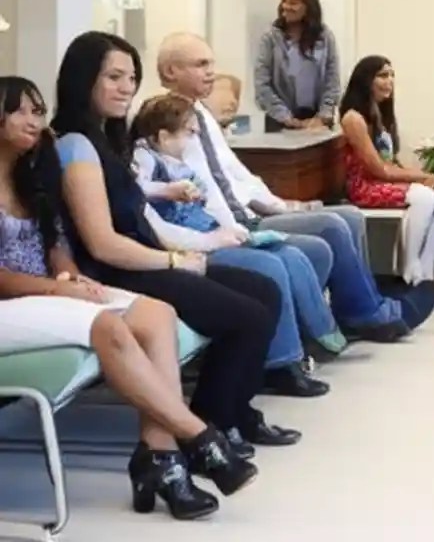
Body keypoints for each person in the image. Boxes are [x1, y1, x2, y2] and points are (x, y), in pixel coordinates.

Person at [0, 76, 254, 520]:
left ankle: (160, 456)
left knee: (157, 313)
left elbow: (55, 246)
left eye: (38, 111)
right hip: (11, 305)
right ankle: (199, 438)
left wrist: (71, 278)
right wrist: (58, 289)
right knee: (107, 325)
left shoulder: (32, 175)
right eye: (20, 110)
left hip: (45, 295)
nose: (33, 121)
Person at [50, 30, 300, 456]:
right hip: (118, 271)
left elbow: (143, 217)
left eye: (131, 76)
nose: (126, 87)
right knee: (246, 315)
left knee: (264, 290)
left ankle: (233, 412)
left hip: (143, 260)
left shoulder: (111, 142)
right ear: (83, 79)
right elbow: (103, 244)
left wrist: (192, 249)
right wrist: (173, 262)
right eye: (113, 76)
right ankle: (210, 427)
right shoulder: (76, 145)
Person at [156, 32, 418, 340]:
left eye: (211, 63)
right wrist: (231, 231)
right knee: (331, 225)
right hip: (225, 225)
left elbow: (235, 174)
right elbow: (201, 191)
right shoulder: (164, 123)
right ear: (171, 71)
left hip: (247, 214)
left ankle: (362, 307)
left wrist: (282, 204)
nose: (211, 72)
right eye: (201, 64)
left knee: (349, 215)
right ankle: (363, 315)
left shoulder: (201, 114)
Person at [132, 92, 348, 380]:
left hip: (208, 227)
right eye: (188, 133)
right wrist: (169, 192)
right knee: (272, 266)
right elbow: (138, 189)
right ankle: (281, 362)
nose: (193, 139)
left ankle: (313, 332)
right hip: (190, 238)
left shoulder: (178, 160)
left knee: (293, 253)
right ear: (162, 135)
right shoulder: (145, 156)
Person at [339, 55, 434, 301]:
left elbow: (391, 162)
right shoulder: (354, 118)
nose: (389, 81)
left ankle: (425, 269)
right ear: (366, 80)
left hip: (383, 181)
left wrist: (421, 177)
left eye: (392, 75)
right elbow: (378, 170)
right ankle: (409, 269)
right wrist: (422, 176)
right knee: (425, 197)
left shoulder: (381, 115)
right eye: (383, 76)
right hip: (365, 186)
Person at [255, 0, 341, 132]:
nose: (286, 7)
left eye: (293, 3)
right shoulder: (270, 38)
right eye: (284, 2)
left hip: (317, 121)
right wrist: (286, 118)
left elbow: (332, 81)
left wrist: (322, 117)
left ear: (309, 7)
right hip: (279, 120)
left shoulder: (325, 37)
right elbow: (262, 84)